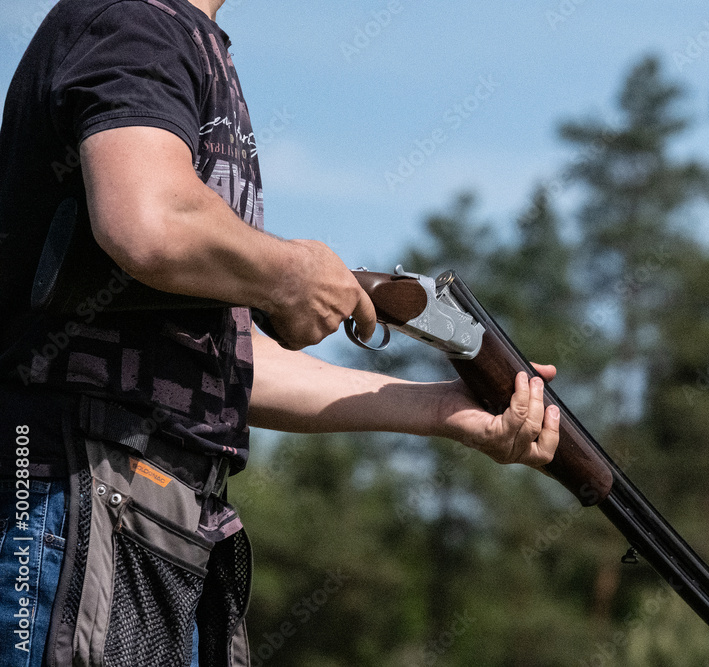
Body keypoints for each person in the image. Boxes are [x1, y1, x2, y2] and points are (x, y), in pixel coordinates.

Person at [0, 0, 560, 665]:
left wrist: (440, 409)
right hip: (72, 498)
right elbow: (145, 221)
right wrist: (289, 273)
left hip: (152, 520)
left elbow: (228, 362)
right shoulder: (135, 19)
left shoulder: (190, 45)